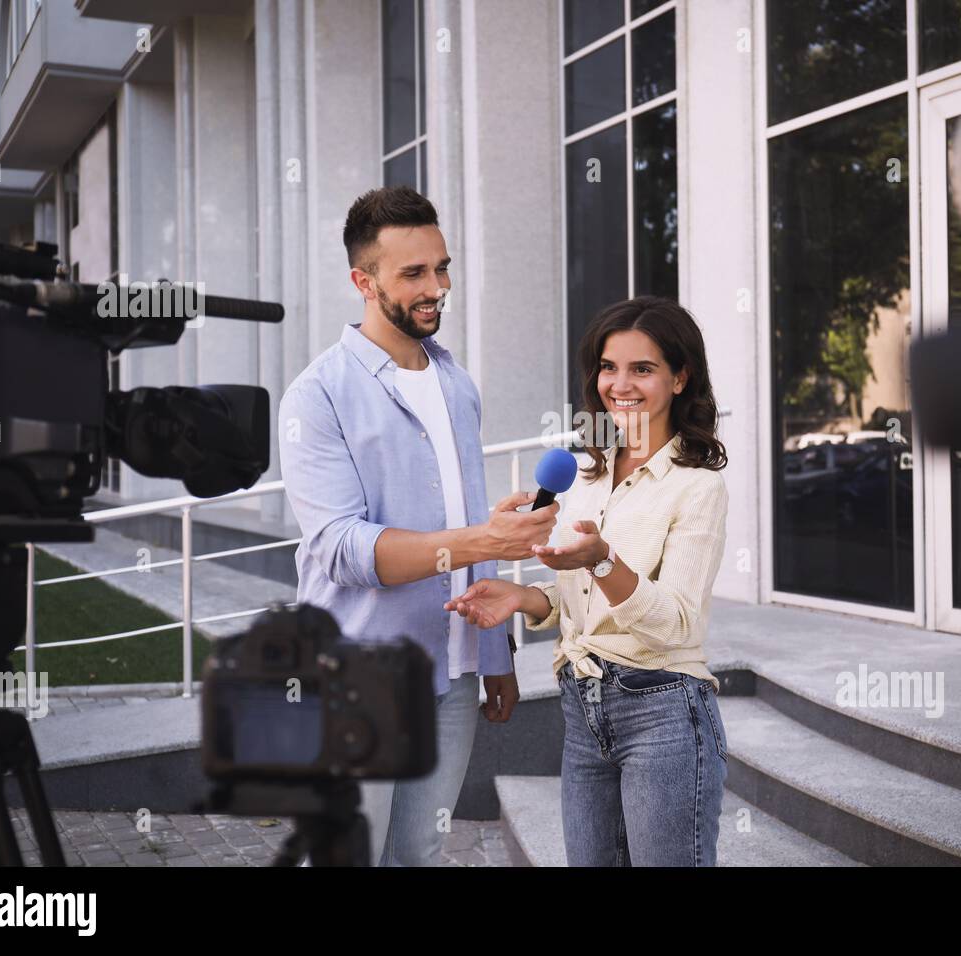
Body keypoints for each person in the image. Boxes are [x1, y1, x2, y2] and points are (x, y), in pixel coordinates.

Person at [278, 185, 558, 866]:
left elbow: (470, 518)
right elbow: (343, 550)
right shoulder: (317, 396)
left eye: (442, 267)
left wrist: (496, 656)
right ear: (362, 281)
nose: (437, 288)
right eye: (413, 274)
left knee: (421, 849)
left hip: (456, 674)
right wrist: (483, 542)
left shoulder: (456, 383)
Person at [446, 295, 730, 866]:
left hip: (663, 709)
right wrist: (524, 598)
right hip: (582, 704)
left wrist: (601, 559)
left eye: (642, 369)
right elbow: (582, 599)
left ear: (680, 377)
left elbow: (672, 624)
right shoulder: (587, 474)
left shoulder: (697, 487)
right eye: (608, 367)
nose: (619, 384)